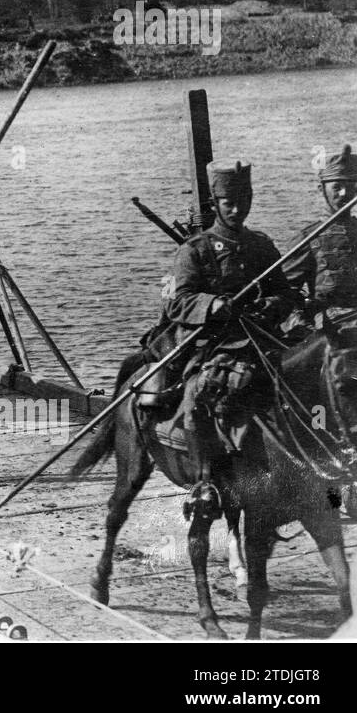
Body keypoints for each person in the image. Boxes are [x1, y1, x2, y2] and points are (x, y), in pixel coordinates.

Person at [151, 160, 299, 491]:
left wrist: (271, 305)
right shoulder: (195, 250)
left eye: (242, 201)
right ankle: (205, 484)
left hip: (261, 338)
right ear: (215, 205)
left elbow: (285, 293)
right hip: (212, 343)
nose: (236, 209)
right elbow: (176, 302)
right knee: (197, 394)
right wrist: (213, 305)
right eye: (228, 203)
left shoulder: (261, 245)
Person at [283, 144, 357, 338]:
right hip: (330, 329)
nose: (343, 194)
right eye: (336, 187)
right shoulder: (308, 237)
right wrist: (304, 327)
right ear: (321, 189)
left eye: (350, 187)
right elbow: (285, 292)